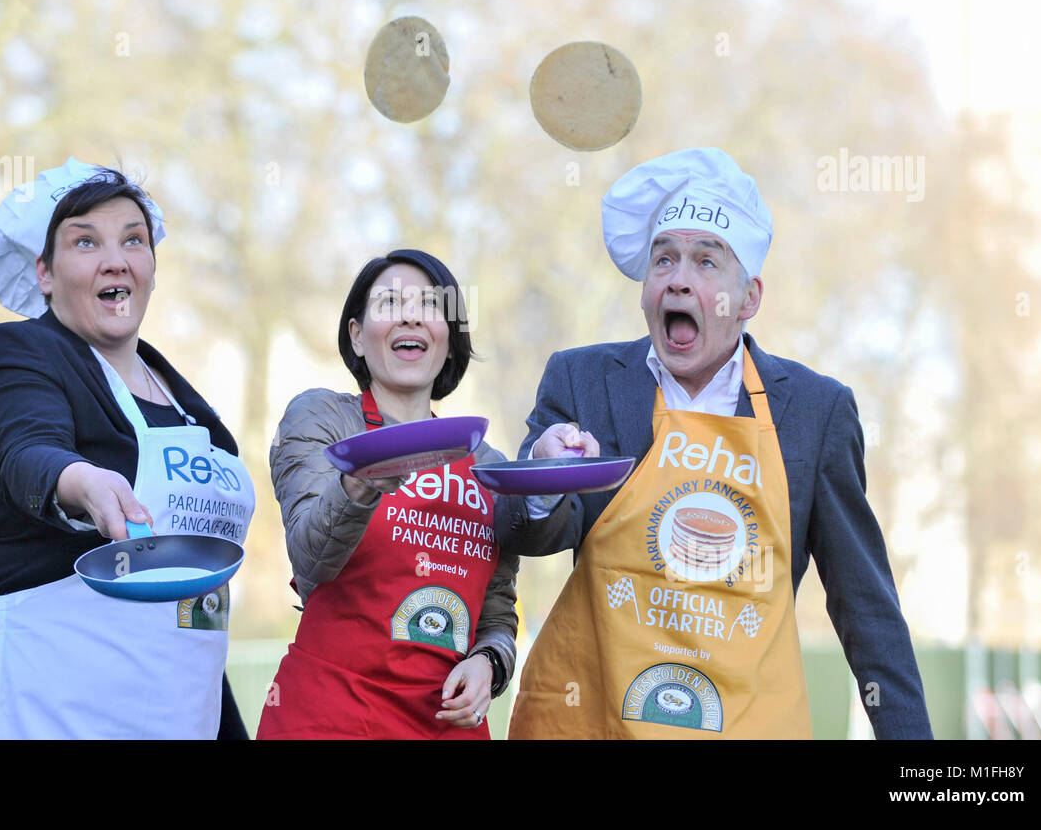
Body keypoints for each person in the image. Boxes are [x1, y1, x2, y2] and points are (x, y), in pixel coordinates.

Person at [500, 148, 932, 739]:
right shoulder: (581, 381)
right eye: (664, 259)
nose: (679, 277)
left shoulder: (814, 411)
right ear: (647, 287)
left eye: (706, 261)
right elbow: (528, 534)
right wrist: (543, 477)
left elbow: (866, 607)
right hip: (595, 721)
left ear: (748, 298)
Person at [0, 158, 255, 739]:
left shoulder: (193, 409)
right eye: (85, 241)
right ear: (45, 274)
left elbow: (201, 609)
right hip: (41, 698)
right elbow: (23, 446)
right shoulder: (17, 352)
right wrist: (81, 482)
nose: (115, 258)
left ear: (151, 267)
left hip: (177, 709)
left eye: (133, 239)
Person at [256, 249, 541, 739]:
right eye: (389, 302)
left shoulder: (489, 465)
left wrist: (489, 664)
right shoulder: (323, 420)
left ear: (449, 342)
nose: (410, 314)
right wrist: (361, 481)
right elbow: (311, 559)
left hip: (445, 724)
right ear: (357, 336)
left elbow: (497, 609)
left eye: (430, 304)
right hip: (327, 717)